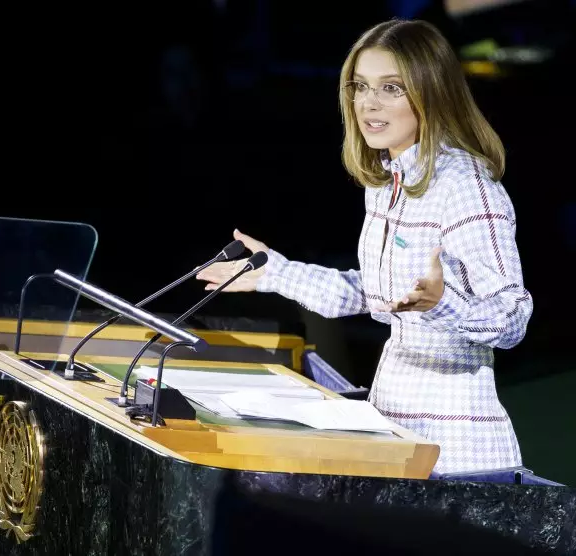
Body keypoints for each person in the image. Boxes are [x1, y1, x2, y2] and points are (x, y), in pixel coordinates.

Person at [196, 18, 533, 474]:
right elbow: (372, 293)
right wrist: (273, 272)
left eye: (391, 88)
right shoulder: (386, 180)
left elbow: (512, 317)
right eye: (360, 86)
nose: (369, 104)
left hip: (458, 454)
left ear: (430, 93)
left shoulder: (465, 185)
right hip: (393, 432)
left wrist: (440, 305)